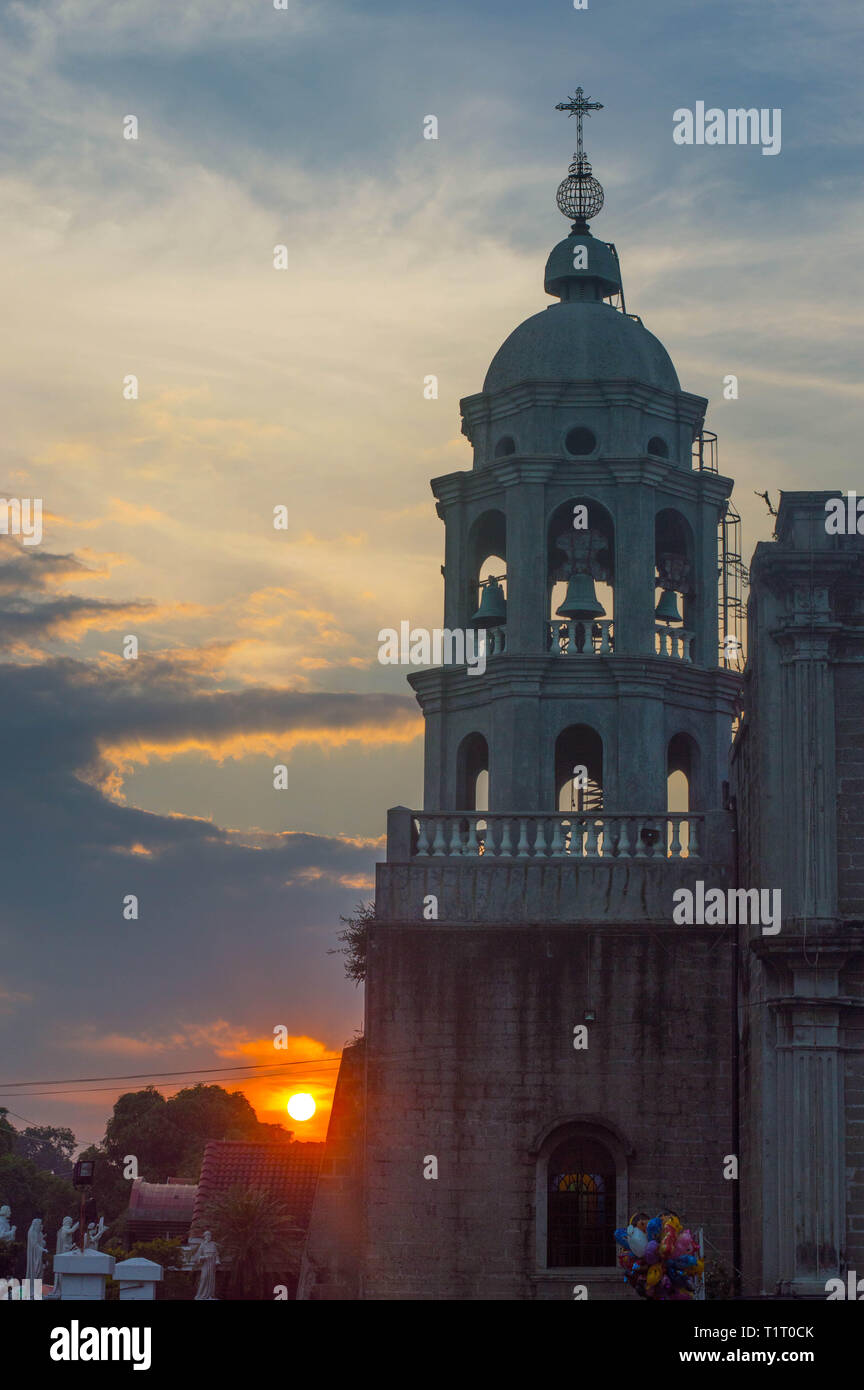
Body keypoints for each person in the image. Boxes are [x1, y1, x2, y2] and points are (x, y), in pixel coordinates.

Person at [193, 1231, 220, 1301]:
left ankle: (210, 1295)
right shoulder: (202, 1245)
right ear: (204, 1237)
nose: (209, 1237)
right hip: (205, 1263)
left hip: (212, 1263)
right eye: (207, 1235)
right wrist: (204, 1257)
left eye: (210, 1235)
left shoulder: (213, 1244)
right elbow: (197, 1256)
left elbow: (217, 1254)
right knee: (204, 1278)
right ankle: (200, 1295)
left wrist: (217, 1260)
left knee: (211, 1279)